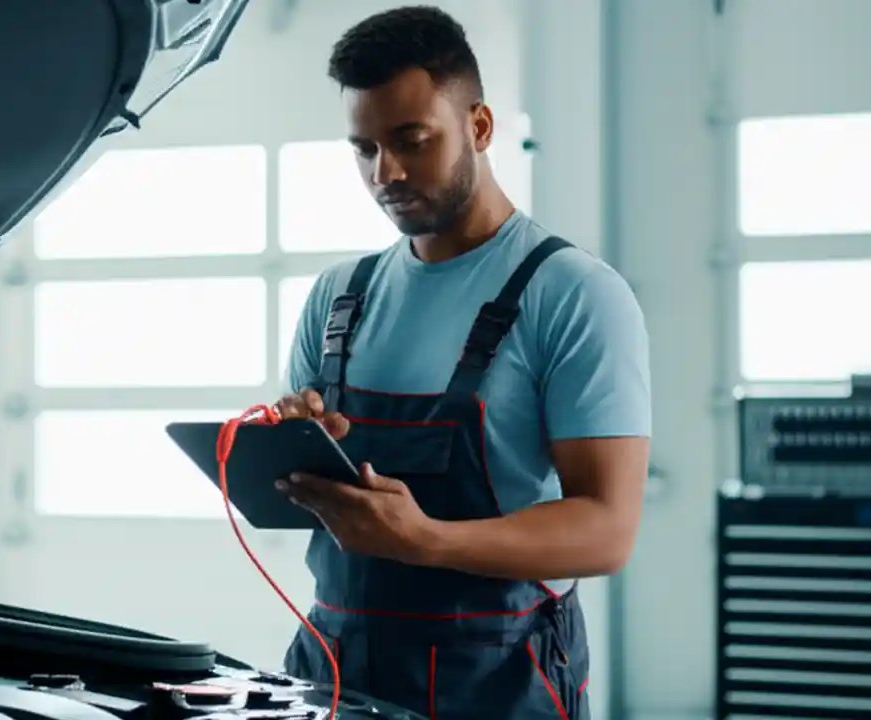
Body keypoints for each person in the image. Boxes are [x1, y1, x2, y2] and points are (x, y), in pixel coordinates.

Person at [271, 6, 651, 719]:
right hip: (333, 666)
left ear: (479, 127)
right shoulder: (337, 298)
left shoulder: (573, 295)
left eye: (412, 140)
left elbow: (607, 529)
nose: (386, 172)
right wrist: (293, 450)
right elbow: (303, 494)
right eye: (364, 148)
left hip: (499, 677)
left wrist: (429, 541)